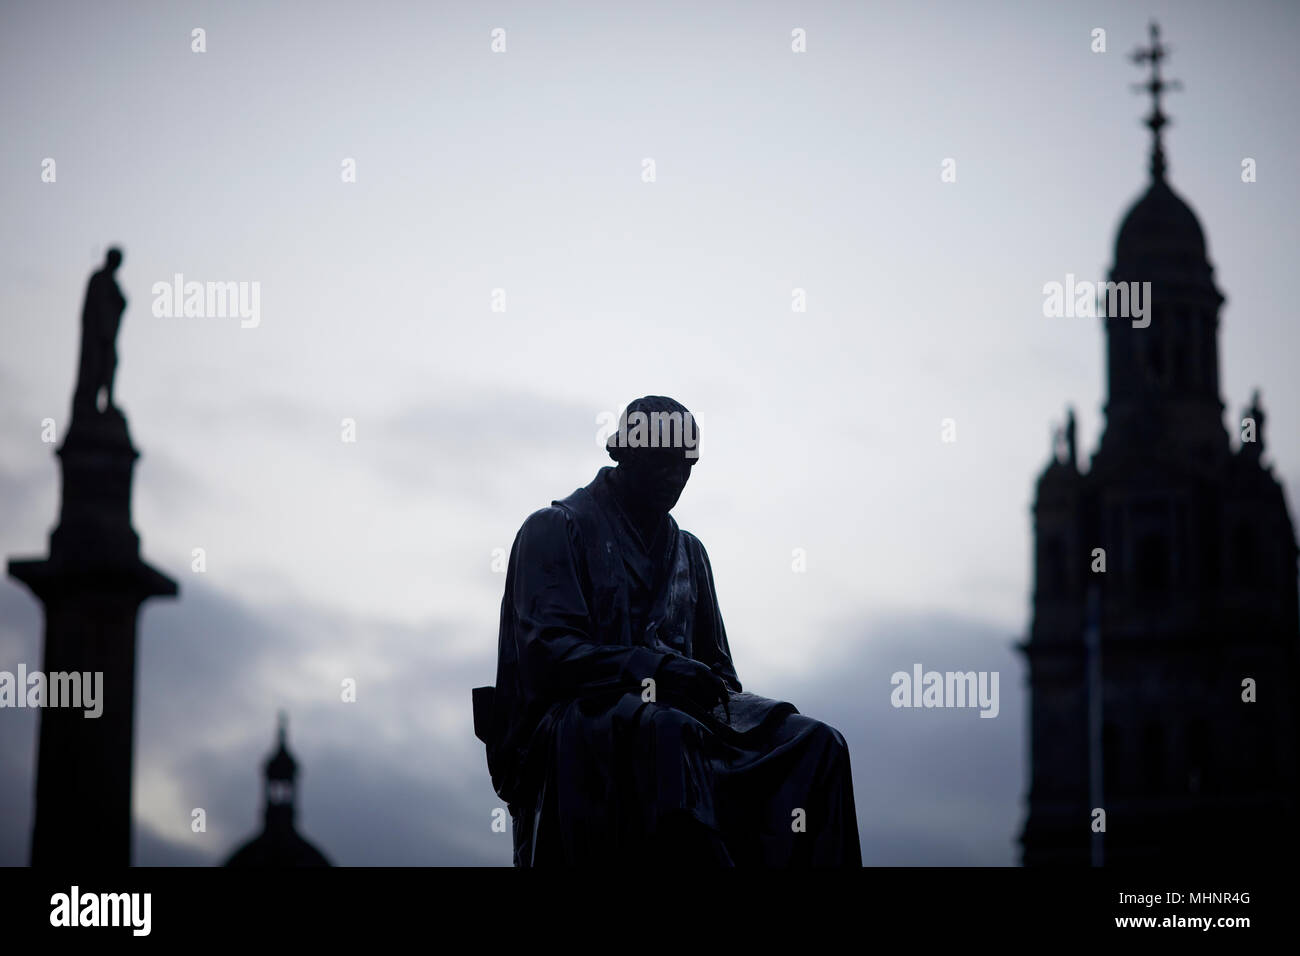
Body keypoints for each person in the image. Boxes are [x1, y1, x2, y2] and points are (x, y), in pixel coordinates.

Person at [479, 395, 862, 866]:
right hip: (581, 719)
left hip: (682, 713)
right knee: (670, 733)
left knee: (818, 743)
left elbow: (720, 672)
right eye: (661, 462)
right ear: (624, 454)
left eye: (684, 465)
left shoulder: (690, 552)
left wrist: (701, 686)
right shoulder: (556, 528)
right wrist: (655, 670)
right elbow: (549, 657)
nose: (674, 477)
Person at [73, 248, 127, 414]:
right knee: (94, 369)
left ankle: (107, 401)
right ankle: (90, 403)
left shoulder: (112, 283)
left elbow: (120, 303)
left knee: (109, 366)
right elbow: (91, 309)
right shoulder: (99, 279)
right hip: (97, 336)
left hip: (108, 335)